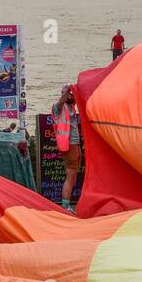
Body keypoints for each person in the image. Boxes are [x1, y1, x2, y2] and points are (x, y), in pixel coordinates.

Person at [51, 84, 83, 212]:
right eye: (70, 94)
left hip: (74, 143)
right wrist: (69, 89)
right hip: (68, 144)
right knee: (71, 174)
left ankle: (66, 204)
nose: (72, 96)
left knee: (73, 174)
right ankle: (65, 206)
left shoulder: (71, 107)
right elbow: (61, 100)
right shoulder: (58, 106)